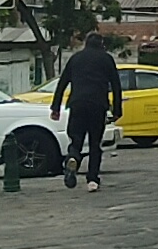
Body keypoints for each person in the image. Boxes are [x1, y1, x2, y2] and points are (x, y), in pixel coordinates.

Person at [50, 32, 123, 191]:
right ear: (101, 44)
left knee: (76, 139)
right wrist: (117, 110)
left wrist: (55, 108)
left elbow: (62, 83)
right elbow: (116, 86)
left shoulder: (75, 59)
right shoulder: (107, 59)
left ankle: (73, 157)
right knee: (95, 143)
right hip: (98, 106)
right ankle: (92, 179)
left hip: (77, 104)